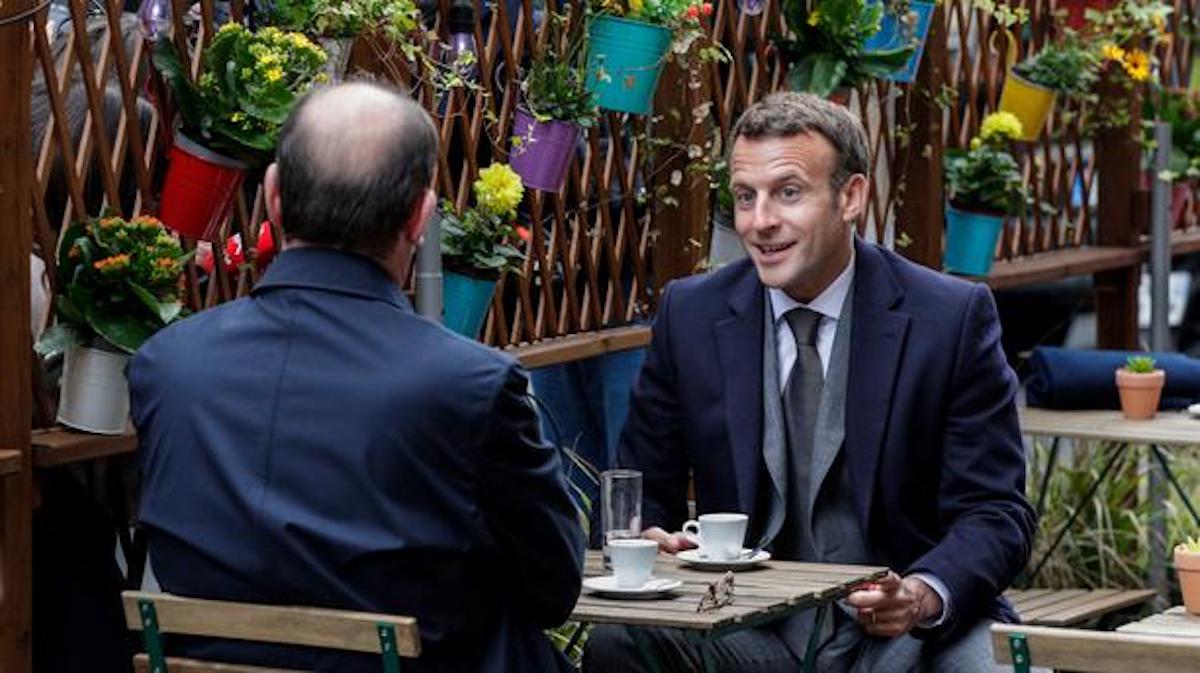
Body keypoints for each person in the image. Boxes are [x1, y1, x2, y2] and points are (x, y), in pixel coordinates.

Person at [129, 81, 585, 673]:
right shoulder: (468, 385)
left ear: (273, 197)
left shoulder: (168, 366)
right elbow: (552, 588)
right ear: (420, 216)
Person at [585, 92, 1036, 672]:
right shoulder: (691, 315)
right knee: (617, 643)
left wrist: (922, 594)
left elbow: (996, 511)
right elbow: (640, 487)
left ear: (851, 197)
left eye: (788, 192)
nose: (760, 221)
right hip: (745, 630)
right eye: (745, 196)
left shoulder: (948, 318)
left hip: (909, 635)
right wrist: (648, 536)